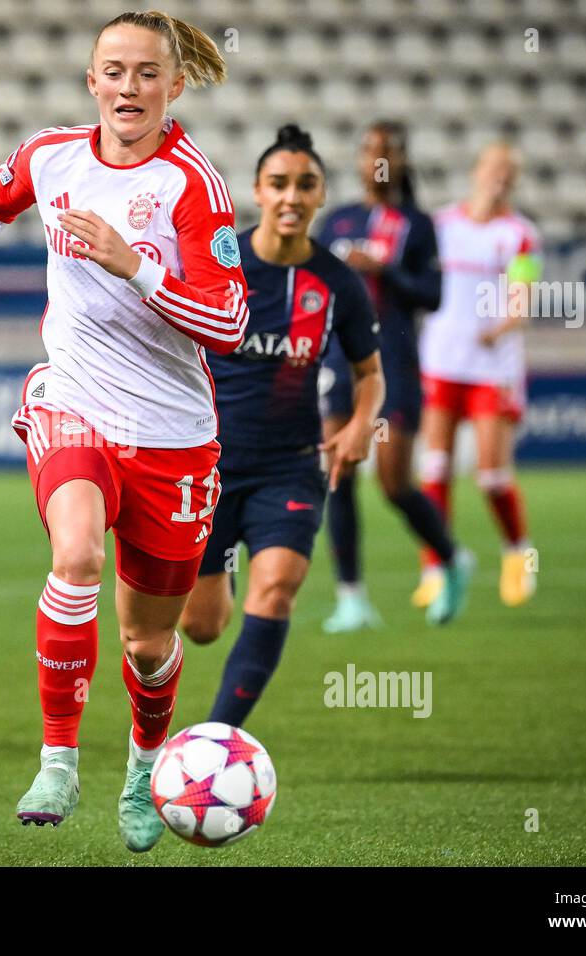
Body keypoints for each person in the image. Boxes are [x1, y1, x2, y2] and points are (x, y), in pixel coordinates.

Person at [0, 11, 246, 852]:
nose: (128, 87)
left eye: (146, 74)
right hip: (73, 398)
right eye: (113, 71)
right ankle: (58, 759)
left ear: (175, 85)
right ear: (91, 80)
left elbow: (230, 320)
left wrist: (135, 261)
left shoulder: (193, 185)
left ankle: (145, 762)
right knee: (77, 554)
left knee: (149, 638)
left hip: (172, 432)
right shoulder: (50, 153)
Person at [177, 124, 386, 727]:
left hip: (290, 465)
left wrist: (359, 425)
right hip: (207, 467)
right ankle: (224, 570)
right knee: (203, 626)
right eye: (279, 184)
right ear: (257, 192)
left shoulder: (338, 283)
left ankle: (218, 739)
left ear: (321, 197)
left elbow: (370, 373)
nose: (292, 196)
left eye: (306, 185)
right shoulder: (221, 265)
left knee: (276, 592)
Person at [318, 121, 471, 632]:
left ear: (402, 162)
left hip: (395, 366)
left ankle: (451, 558)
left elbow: (434, 294)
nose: (378, 159)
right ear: (360, 159)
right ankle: (351, 597)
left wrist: (385, 271)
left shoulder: (416, 224)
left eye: (389, 152)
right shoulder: (337, 222)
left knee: (392, 482)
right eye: (371, 150)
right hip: (340, 362)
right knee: (337, 474)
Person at [418, 142, 538, 606]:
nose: (500, 177)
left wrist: (502, 324)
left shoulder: (519, 234)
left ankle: (517, 552)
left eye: (509, 172)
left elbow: (522, 296)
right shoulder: (442, 226)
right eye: (493, 169)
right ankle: (436, 568)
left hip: (491, 368)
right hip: (441, 362)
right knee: (435, 469)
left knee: (491, 475)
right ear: (476, 172)